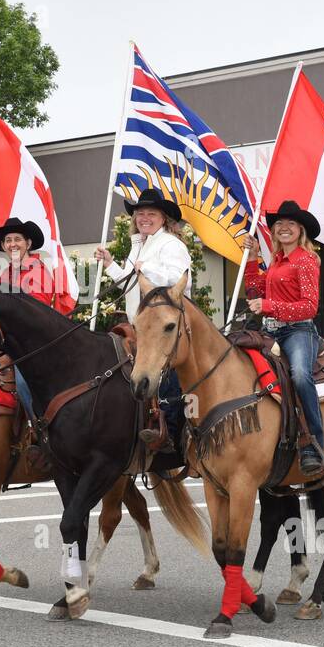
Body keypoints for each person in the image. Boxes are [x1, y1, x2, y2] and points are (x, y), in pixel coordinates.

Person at [94, 188, 192, 450]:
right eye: (140, 214)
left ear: (164, 219)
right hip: (142, 324)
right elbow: (129, 282)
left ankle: (170, 432)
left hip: (164, 324)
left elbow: (179, 279)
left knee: (164, 369)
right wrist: (110, 263)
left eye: (151, 213)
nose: (144, 218)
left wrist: (145, 268)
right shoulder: (142, 244)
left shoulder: (172, 244)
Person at [243, 200, 324, 476]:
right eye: (279, 224)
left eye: (290, 223)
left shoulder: (306, 260)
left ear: (300, 229)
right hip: (270, 330)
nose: (284, 228)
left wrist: (269, 306)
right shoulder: (276, 262)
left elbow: (309, 307)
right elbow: (254, 293)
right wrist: (253, 259)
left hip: (299, 331)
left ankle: (313, 442)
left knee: (301, 374)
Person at [0, 217, 71, 417]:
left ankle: (37, 424)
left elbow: (35, 315)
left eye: (17, 239)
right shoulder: (4, 275)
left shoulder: (40, 272)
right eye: (8, 240)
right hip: (11, 343)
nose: (13, 244)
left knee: (22, 381)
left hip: (34, 345)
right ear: (3, 246)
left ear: (27, 243)